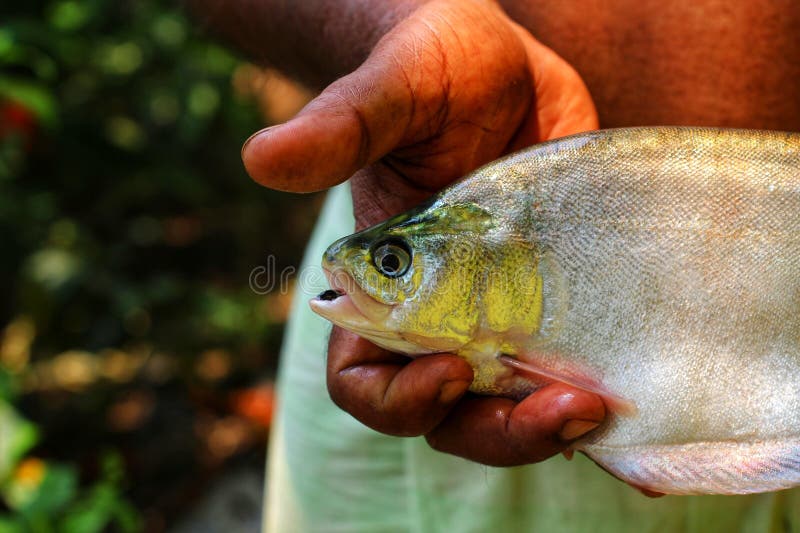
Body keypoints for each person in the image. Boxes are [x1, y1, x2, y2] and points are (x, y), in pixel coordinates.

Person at [188, 0, 800, 530]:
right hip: (433, 186)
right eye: (396, 261)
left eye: (394, 262)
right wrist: (395, 23)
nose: (379, 276)